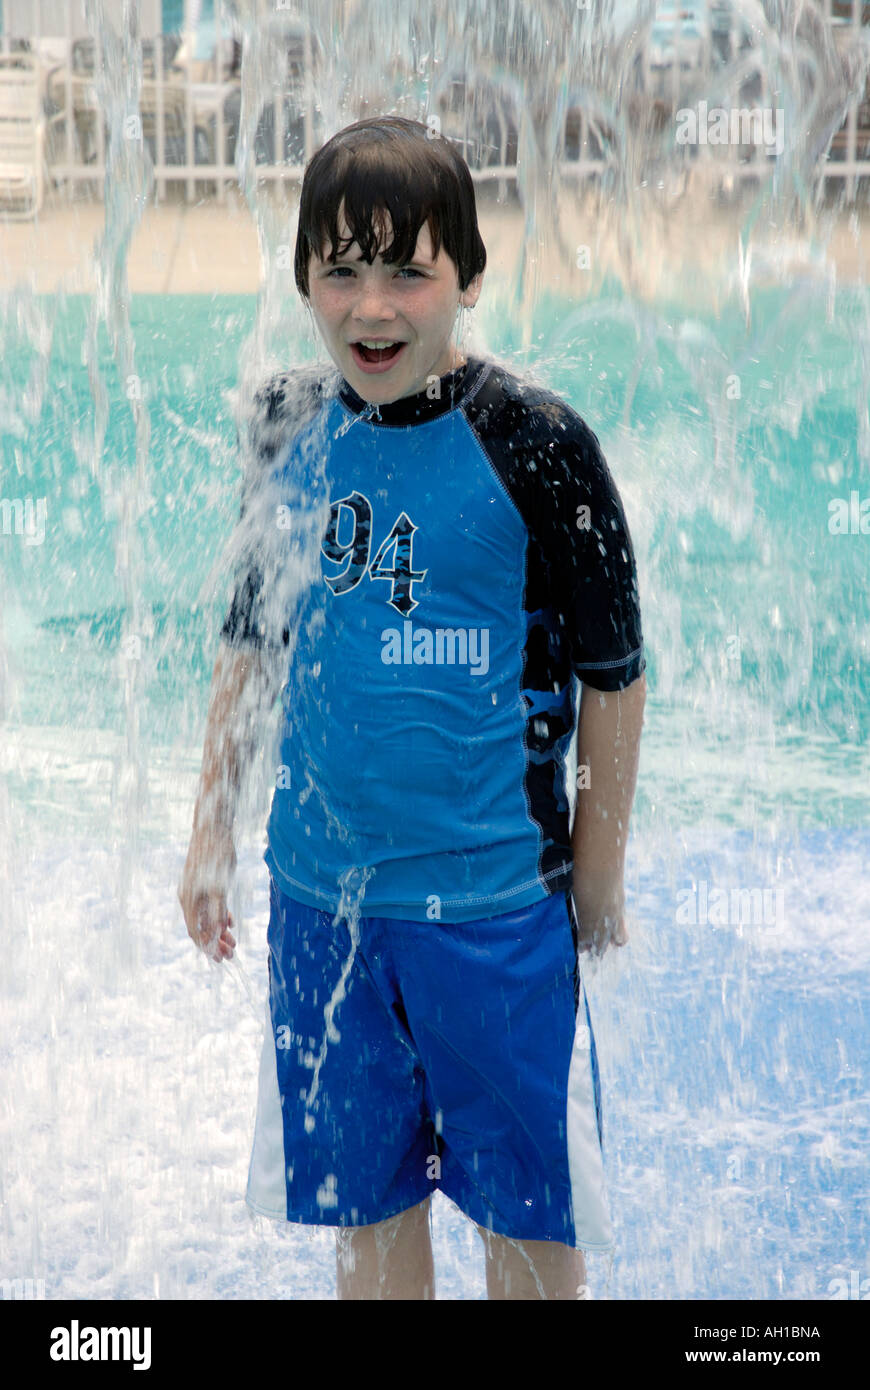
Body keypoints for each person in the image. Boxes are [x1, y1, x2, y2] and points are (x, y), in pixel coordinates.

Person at [179, 115, 647, 1301]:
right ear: (303, 279)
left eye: (407, 270)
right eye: (340, 269)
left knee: (527, 1214)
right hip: (324, 909)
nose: (371, 307)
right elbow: (252, 639)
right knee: (368, 1210)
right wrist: (210, 832)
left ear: (469, 278)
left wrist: (596, 874)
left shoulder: (538, 444)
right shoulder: (289, 425)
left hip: (491, 909)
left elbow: (613, 673)